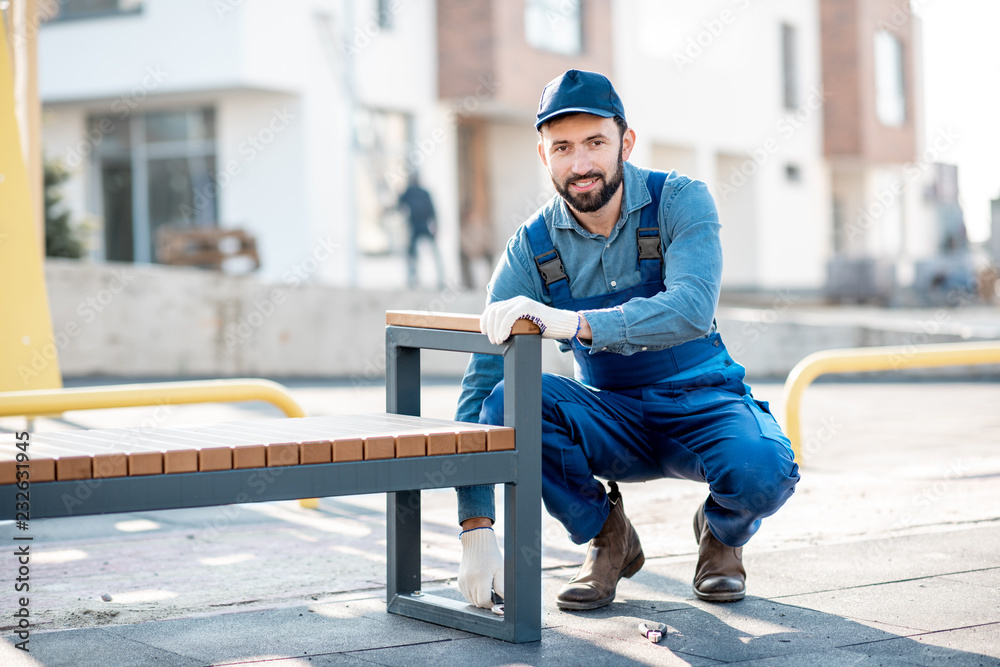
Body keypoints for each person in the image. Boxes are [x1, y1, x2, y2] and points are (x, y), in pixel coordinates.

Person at [453, 69, 800, 611]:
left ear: (626, 143)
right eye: (562, 147)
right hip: (611, 416)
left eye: (595, 142)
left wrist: (574, 323)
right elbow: (481, 382)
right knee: (509, 402)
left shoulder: (679, 200)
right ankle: (607, 536)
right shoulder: (532, 247)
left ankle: (722, 533)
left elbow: (690, 308)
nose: (580, 162)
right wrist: (475, 527)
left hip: (703, 405)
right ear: (543, 155)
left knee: (764, 470)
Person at [396, 173, 445, 288]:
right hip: (414, 227)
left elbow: (432, 211)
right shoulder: (408, 193)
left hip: (424, 226)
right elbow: (399, 206)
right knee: (412, 254)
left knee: (434, 253)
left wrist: (435, 226)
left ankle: (440, 278)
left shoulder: (424, 193)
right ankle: (412, 279)